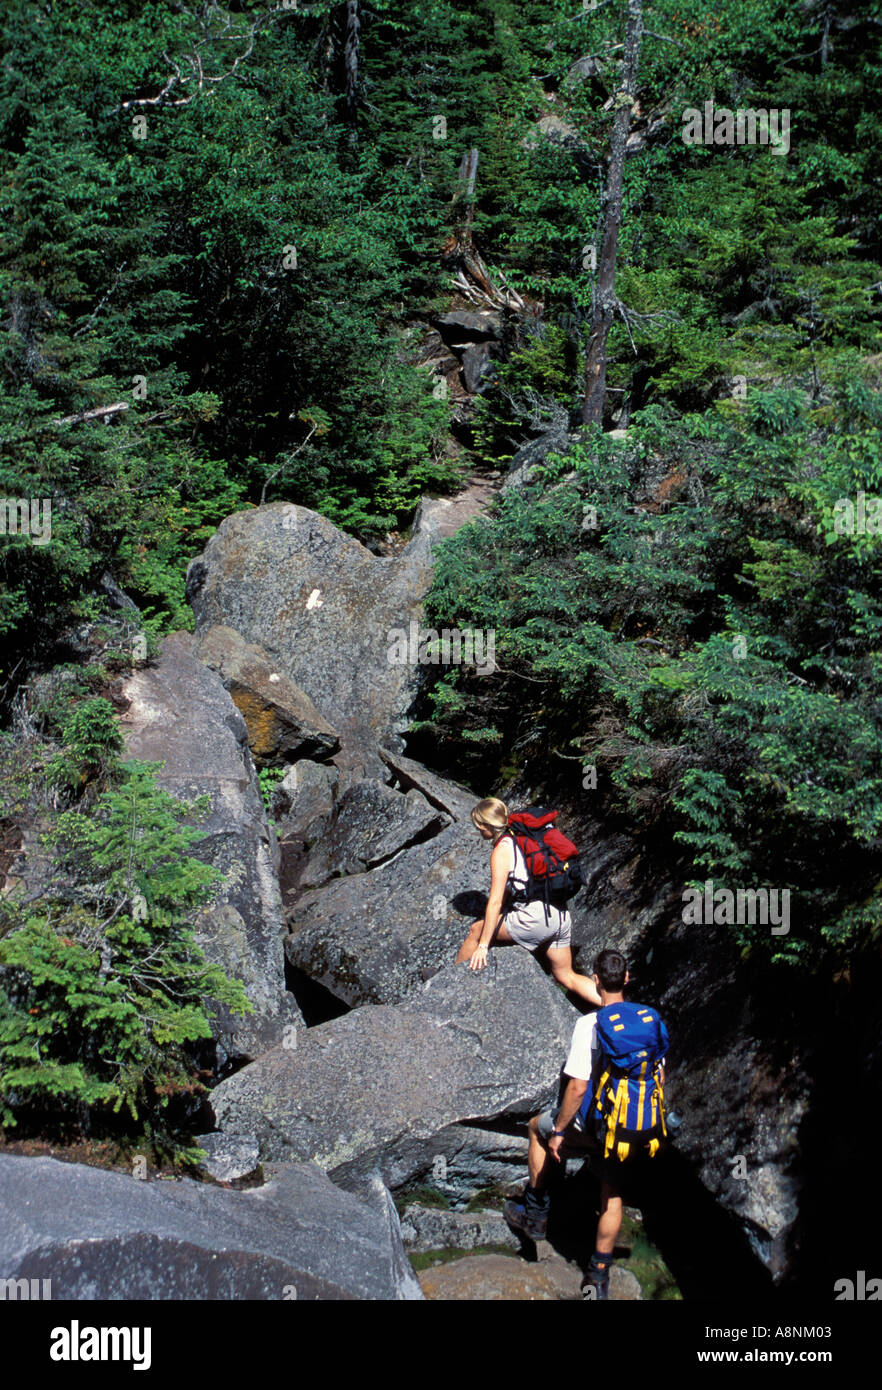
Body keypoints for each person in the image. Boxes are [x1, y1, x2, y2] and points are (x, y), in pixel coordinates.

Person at [503, 948, 667, 1300]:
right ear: (626, 978)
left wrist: (560, 1131)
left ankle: (535, 1216)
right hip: (630, 1131)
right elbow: (660, 1078)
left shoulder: (589, 1025)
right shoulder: (648, 1022)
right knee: (613, 1195)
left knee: (536, 1128)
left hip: (592, 1127)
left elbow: (577, 1088)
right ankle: (598, 1277)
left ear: (596, 980)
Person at [455, 797, 601, 1007]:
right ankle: (616, 1006)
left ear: (488, 826)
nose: (479, 831)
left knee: (476, 931)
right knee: (567, 976)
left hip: (535, 919)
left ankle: (452, 985)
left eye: (479, 827)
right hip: (559, 916)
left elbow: (495, 901)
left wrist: (484, 945)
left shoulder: (502, 850)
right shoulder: (525, 837)